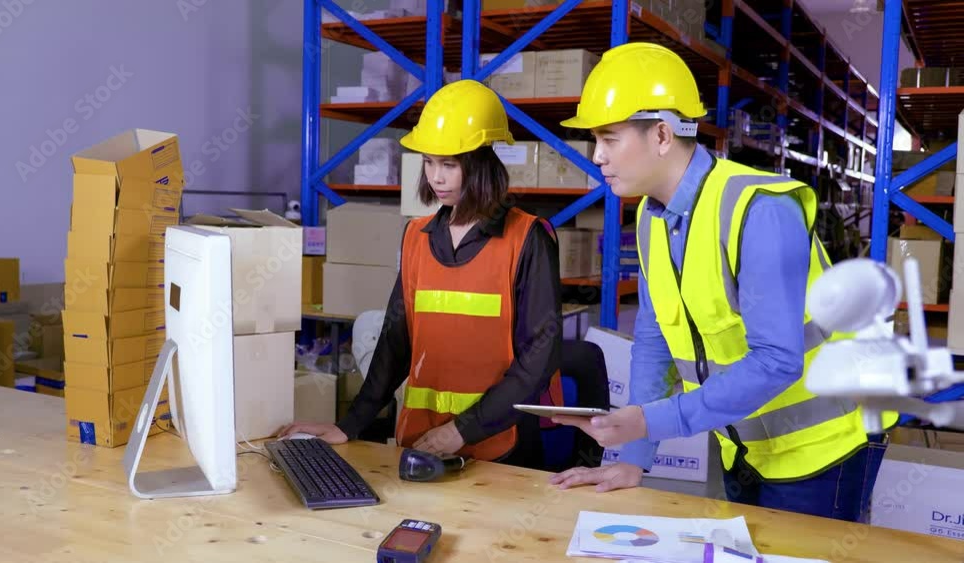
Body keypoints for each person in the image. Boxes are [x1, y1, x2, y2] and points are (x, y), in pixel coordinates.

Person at [547, 42, 897, 522]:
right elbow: (654, 340)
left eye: (609, 139)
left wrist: (652, 420)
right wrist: (635, 455)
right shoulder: (652, 218)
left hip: (826, 449)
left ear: (663, 135)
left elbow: (777, 361)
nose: (597, 156)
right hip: (745, 448)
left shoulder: (759, 211)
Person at [279, 79, 564, 469]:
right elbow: (396, 340)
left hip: (501, 448)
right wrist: (350, 424)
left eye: (449, 164)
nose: (436, 177)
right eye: (429, 162)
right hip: (421, 441)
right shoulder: (416, 236)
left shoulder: (527, 238)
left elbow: (538, 359)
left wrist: (462, 430)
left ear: (481, 162)